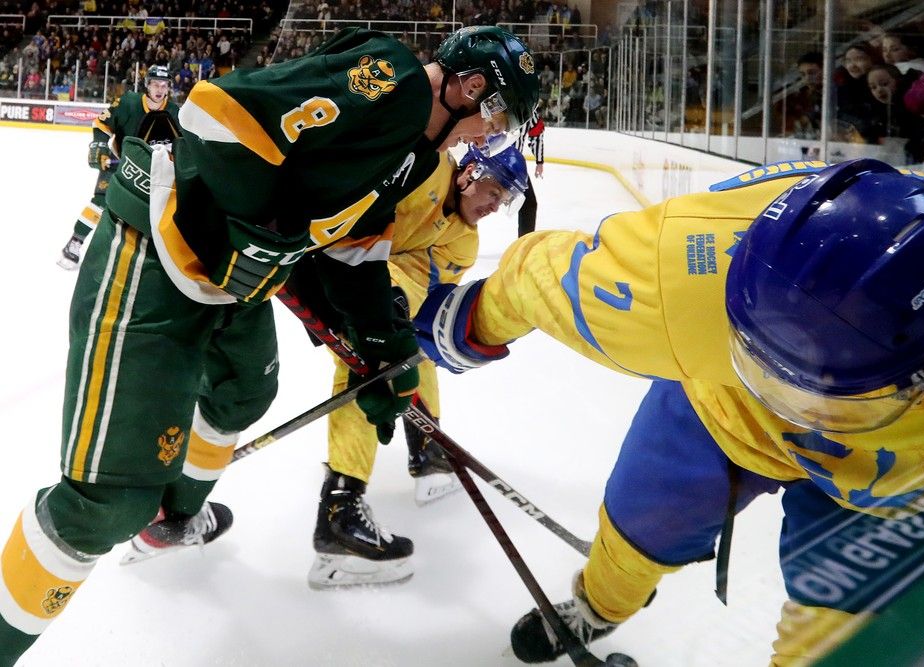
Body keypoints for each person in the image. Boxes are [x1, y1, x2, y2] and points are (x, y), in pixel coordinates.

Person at [0, 25, 538, 664]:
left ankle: (172, 523)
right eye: (495, 116)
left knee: (243, 391)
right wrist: (249, 228)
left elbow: (353, 251)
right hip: (157, 247)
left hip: (227, 279)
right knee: (104, 504)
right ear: (468, 87)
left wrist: (385, 348)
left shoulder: (414, 154)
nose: (486, 135)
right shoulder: (389, 80)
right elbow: (217, 111)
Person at [413, 158, 924, 663]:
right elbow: (530, 281)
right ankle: (599, 603)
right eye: (769, 365)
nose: (798, 414)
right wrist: (437, 330)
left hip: (916, 484)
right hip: (730, 406)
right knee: (635, 529)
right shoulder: (679, 271)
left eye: (826, 393)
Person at [296, 144, 529, 589]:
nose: (494, 205)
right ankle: (344, 507)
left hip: (363, 294)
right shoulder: (425, 165)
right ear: (470, 172)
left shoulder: (464, 240)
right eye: (494, 190)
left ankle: (419, 456)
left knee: (401, 357)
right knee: (370, 369)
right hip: (318, 257)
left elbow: (416, 279)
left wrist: (392, 310)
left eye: (504, 200)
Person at [57, 64, 180, 270]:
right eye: (155, 84)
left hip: (155, 171)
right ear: (146, 85)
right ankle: (76, 242)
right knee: (101, 202)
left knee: (156, 212)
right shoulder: (127, 103)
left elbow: (185, 143)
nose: (159, 89)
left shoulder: (175, 112)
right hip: (121, 162)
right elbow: (101, 124)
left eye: (164, 85)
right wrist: (99, 146)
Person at [514, 104, 544, 237]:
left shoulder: (530, 111)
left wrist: (539, 161)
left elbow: (536, 134)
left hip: (512, 164)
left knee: (529, 203)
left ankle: (524, 243)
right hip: (500, 162)